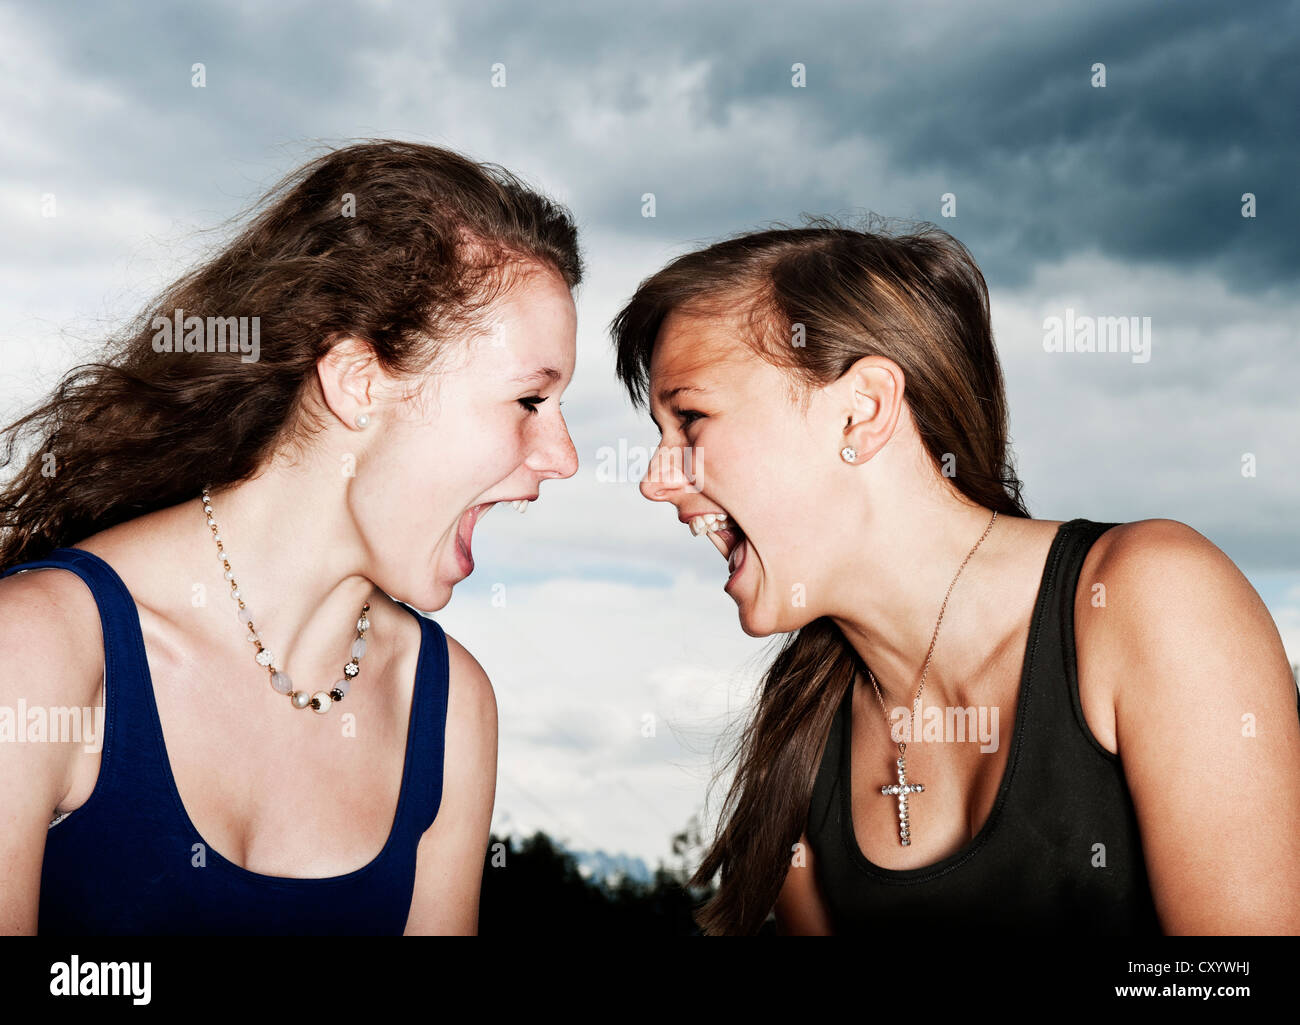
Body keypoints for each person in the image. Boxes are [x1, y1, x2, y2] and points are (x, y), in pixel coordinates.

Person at [610, 217, 1300, 935]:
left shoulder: (1155, 598)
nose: (658, 483)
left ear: (861, 411)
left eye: (689, 419)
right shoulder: (800, 734)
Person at [0, 140, 581, 935]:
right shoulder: (39, 651)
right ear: (359, 382)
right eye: (528, 401)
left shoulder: (446, 709)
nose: (564, 457)